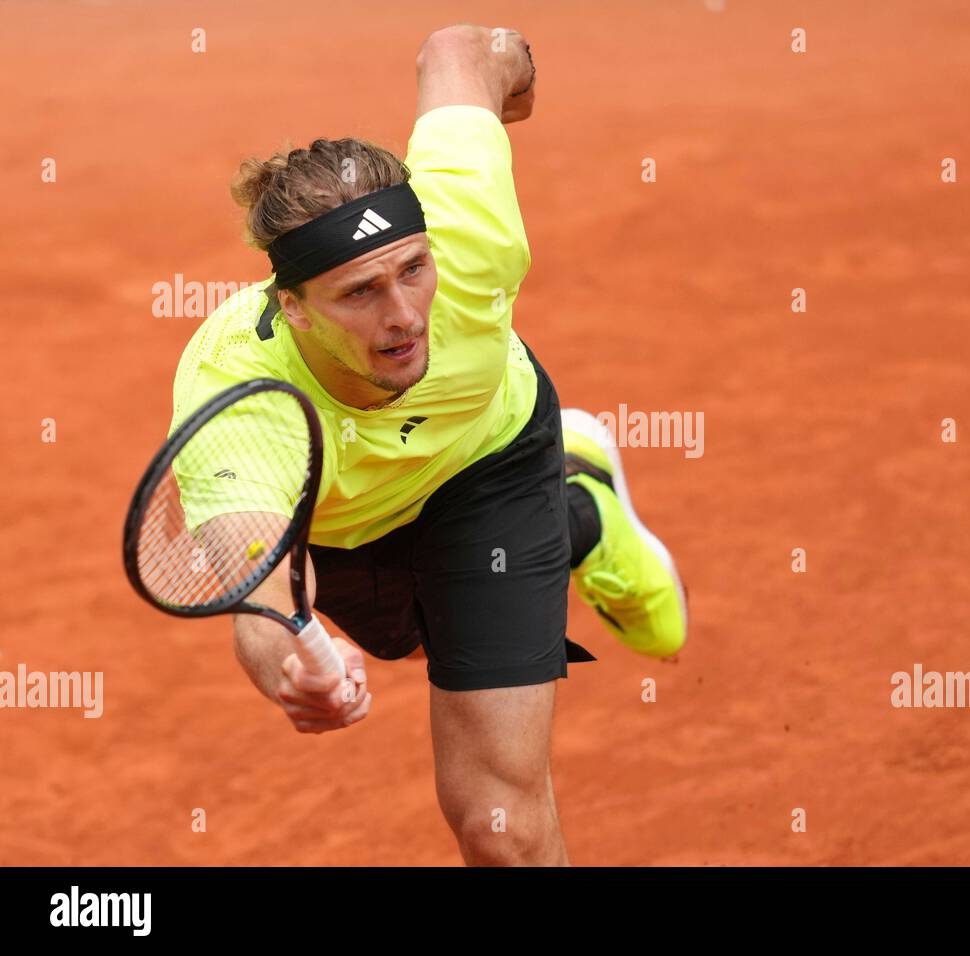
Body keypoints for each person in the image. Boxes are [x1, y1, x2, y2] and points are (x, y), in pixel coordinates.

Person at [167, 23, 688, 866]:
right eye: (361, 292)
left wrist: (512, 85)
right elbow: (259, 587)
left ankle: (566, 514)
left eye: (413, 269)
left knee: (501, 826)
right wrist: (294, 663)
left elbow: (458, 50)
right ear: (293, 306)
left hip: (488, 465)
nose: (405, 315)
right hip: (340, 529)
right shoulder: (237, 393)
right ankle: (582, 513)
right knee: (405, 639)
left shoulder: (467, 230)